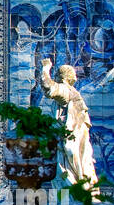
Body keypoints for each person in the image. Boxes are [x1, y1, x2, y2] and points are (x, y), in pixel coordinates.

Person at [40, 58, 98, 187]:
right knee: (81, 162)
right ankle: (83, 187)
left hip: (70, 139)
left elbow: (47, 86)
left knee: (70, 166)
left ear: (60, 77)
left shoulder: (66, 91)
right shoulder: (73, 93)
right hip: (75, 136)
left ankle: (74, 190)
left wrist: (45, 68)